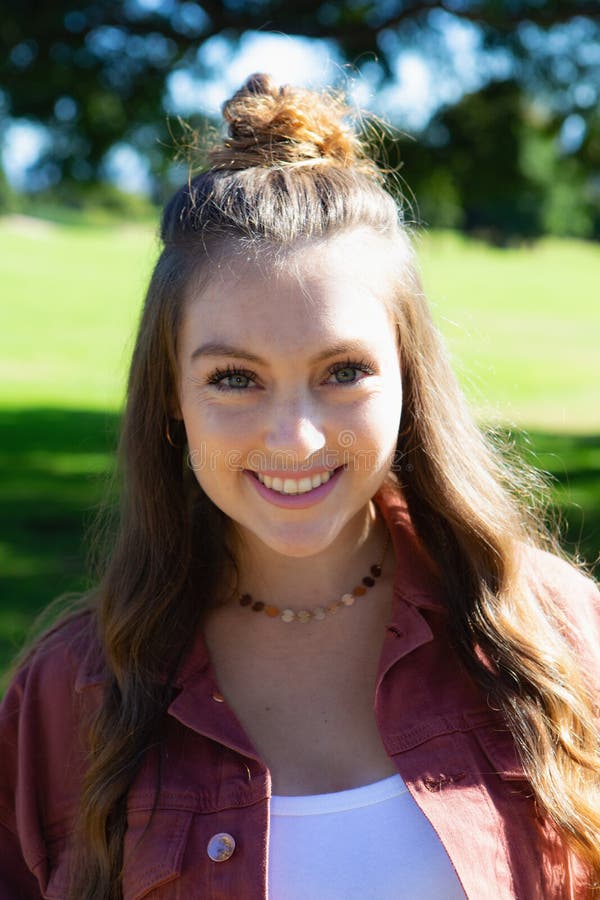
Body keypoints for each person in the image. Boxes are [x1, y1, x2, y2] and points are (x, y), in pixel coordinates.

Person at [1, 73, 599, 900]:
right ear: (172, 397)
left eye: (343, 371)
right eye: (234, 379)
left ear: (409, 379)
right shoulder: (68, 693)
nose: (296, 439)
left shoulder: (556, 636)